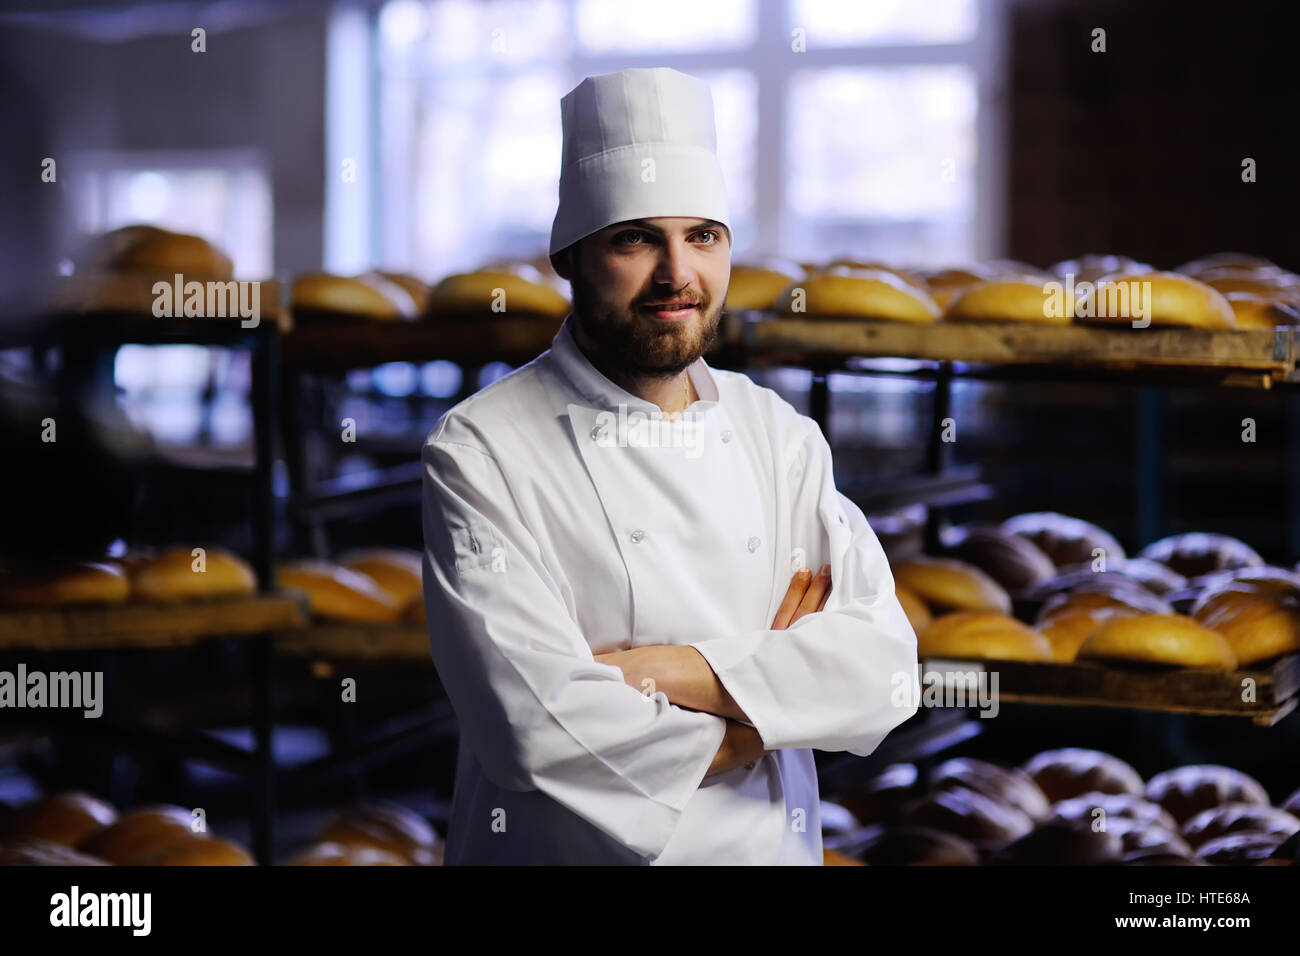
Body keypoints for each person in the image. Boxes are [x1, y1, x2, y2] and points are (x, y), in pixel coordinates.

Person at [420, 67, 919, 865]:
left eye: (703, 237)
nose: (677, 276)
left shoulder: (778, 437)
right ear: (570, 257)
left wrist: (658, 671)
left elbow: (882, 673)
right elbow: (530, 727)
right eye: (635, 238)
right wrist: (776, 701)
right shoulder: (482, 451)